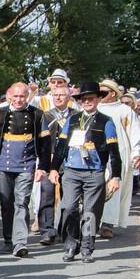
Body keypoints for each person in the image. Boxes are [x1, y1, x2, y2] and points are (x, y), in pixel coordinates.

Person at [50, 82, 122, 263]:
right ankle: (70, 245)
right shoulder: (72, 120)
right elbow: (61, 146)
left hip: (94, 172)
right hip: (72, 171)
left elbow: (114, 151)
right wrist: (53, 168)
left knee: (90, 212)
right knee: (68, 208)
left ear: (98, 99)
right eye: (84, 99)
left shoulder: (106, 121)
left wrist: (115, 176)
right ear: (79, 101)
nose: (87, 102)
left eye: (91, 98)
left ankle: (87, 248)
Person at [0, 82, 51, 258]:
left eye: (22, 96)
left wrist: (43, 167)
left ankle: (20, 242)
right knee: (6, 203)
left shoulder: (37, 114)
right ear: (9, 95)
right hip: (4, 166)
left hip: (26, 166)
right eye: (16, 96)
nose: (19, 99)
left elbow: (45, 145)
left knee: (22, 203)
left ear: (27, 96)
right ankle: (8, 240)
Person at [36, 80, 76, 245]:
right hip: (49, 158)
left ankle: (65, 229)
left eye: (62, 95)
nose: (58, 98)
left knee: (69, 198)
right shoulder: (45, 115)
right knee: (47, 196)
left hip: (70, 160)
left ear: (69, 97)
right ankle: (47, 231)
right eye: (55, 95)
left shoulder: (76, 115)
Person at [98, 78, 135, 234]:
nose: (99, 95)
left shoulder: (125, 111)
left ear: (113, 93)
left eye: (103, 92)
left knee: (113, 188)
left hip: (117, 154)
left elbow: (134, 133)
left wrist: (136, 153)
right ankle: (92, 221)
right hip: (95, 154)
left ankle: (108, 224)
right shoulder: (94, 108)